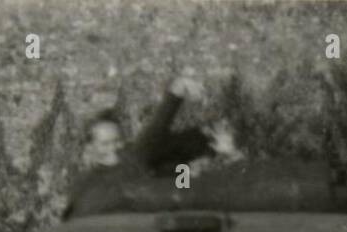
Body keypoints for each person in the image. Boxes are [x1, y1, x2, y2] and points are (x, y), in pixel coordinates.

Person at [64, 75, 237, 218]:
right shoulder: (87, 182)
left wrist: (189, 171)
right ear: (90, 147)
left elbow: (178, 183)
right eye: (105, 144)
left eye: (117, 141)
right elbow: (154, 133)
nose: (114, 147)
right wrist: (176, 92)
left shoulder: (134, 160)